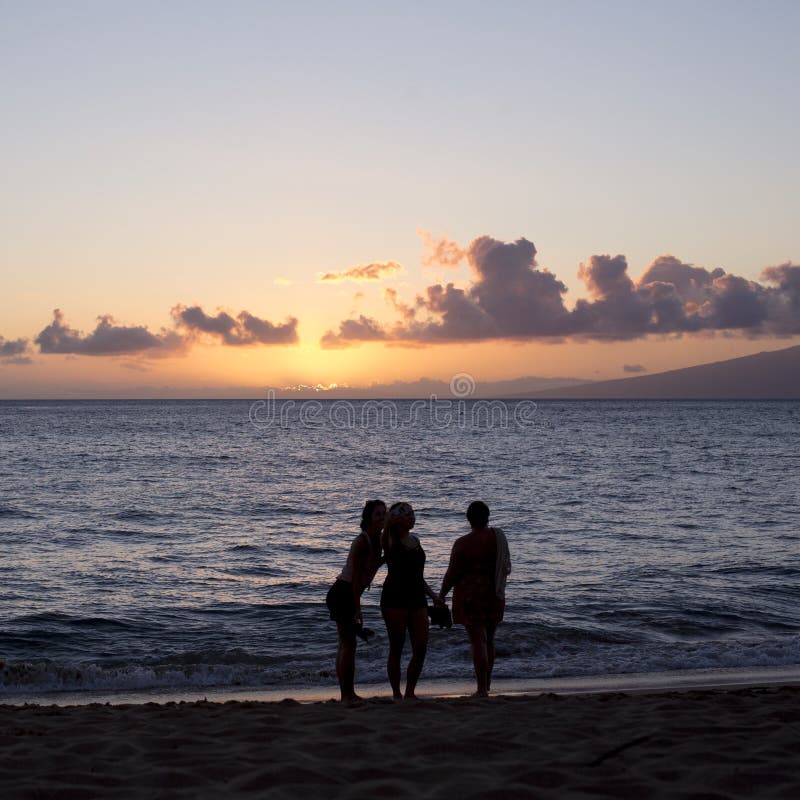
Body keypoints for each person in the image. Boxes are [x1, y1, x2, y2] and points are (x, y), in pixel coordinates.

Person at [438, 501, 511, 697]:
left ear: (468, 519)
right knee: (490, 640)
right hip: (494, 594)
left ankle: (481, 689)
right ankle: (486, 685)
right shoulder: (497, 537)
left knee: (478, 641)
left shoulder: (463, 543)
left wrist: (441, 595)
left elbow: (452, 573)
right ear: (488, 516)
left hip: (471, 596)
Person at [326, 499, 386, 702]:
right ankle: (347, 694)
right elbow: (355, 579)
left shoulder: (378, 539)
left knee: (346, 643)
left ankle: (346, 693)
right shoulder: (362, 541)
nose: (382, 517)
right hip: (343, 593)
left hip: (349, 593)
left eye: (384, 514)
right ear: (368, 517)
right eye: (378, 514)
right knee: (348, 644)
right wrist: (357, 609)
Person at [380, 502, 441, 699]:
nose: (412, 517)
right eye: (406, 514)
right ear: (397, 519)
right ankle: (397, 693)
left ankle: (410, 692)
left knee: (421, 647)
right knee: (396, 647)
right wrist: (390, 519)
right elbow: (384, 533)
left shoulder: (416, 540)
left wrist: (434, 596)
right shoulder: (389, 540)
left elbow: (418, 576)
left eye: (413, 514)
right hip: (394, 597)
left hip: (417, 597)